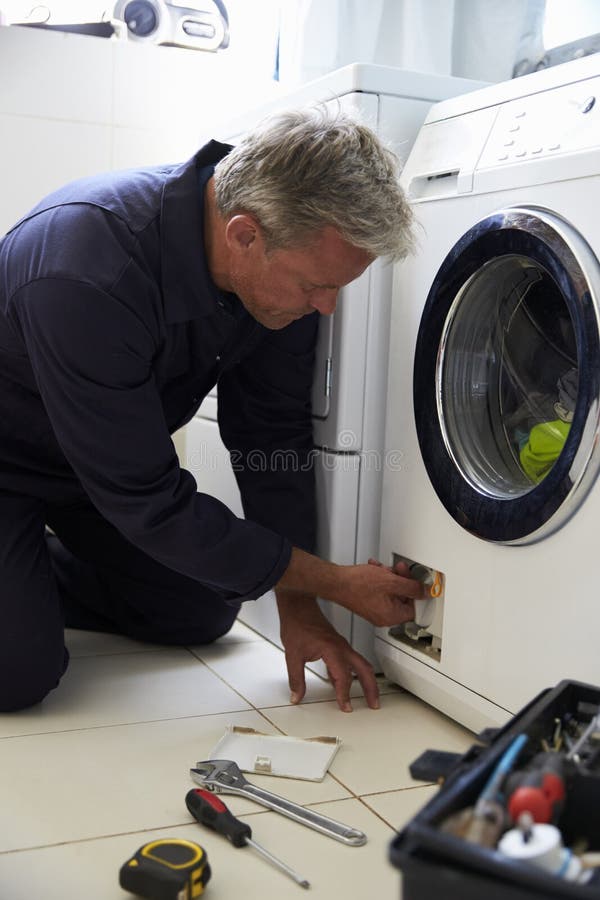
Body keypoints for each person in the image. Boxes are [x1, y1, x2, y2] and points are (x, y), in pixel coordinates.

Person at [0, 106, 424, 715]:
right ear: (245, 235)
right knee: (18, 674)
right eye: (315, 286)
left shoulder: (275, 279)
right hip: (10, 463)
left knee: (201, 607)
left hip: (92, 470)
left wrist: (300, 606)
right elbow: (147, 501)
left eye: (338, 287)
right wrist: (335, 581)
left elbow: (271, 436)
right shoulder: (89, 268)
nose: (327, 307)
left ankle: (30, 576)